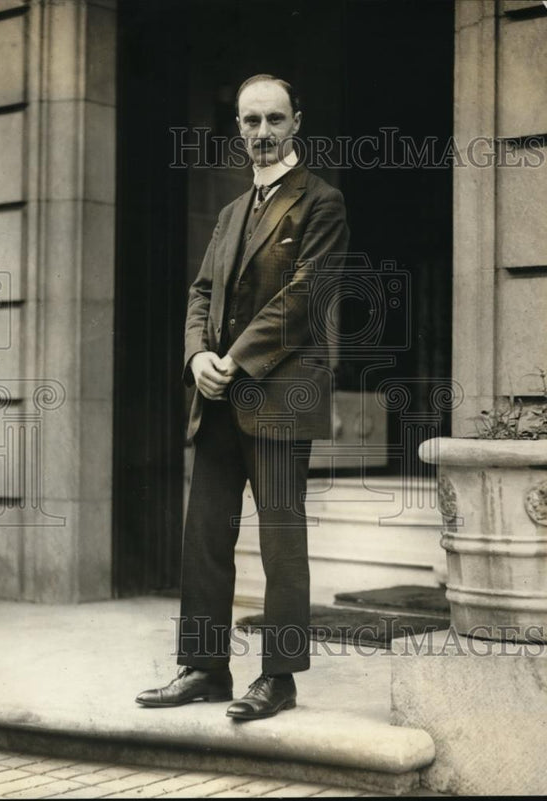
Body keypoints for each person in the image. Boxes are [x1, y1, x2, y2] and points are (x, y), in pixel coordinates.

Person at [136, 74, 349, 720]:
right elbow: (202, 292)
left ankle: (279, 679)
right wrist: (196, 356)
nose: (262, 132)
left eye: (273, 119)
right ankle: (205, 668)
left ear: (296, 123)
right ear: (238, 128)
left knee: (281, 542)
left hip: (281, 397)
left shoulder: (322, 202)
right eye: (250, 121)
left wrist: (232, 359)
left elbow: (305, 297)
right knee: (204, 535)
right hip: (220, 398)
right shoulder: (231, 213)